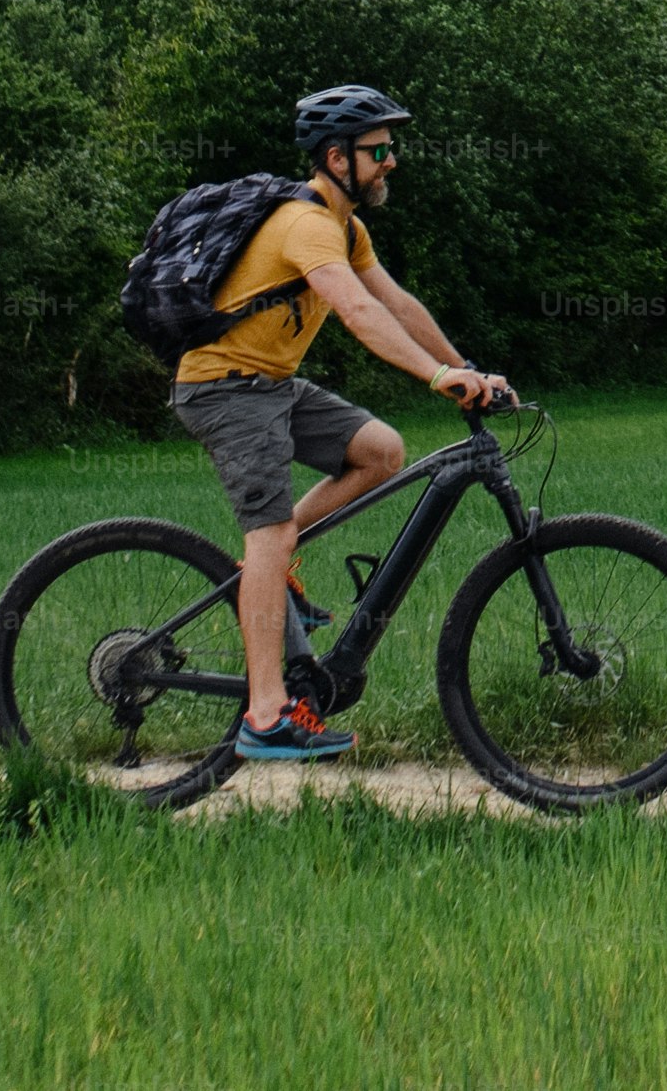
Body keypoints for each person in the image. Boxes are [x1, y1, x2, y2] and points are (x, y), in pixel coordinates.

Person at [171, 85, 516, 762]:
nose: (390, 161)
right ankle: (265, 715)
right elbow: (358, 313)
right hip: (225, 389)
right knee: (268, 533)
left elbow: (397, 302)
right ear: (336, 157)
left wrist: (463, 366)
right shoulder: (305, 225)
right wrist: (432, 377)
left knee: (381, 450)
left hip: (269, 382)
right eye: (377, 150)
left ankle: (266, 573)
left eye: (391, 148)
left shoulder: (347, 227)